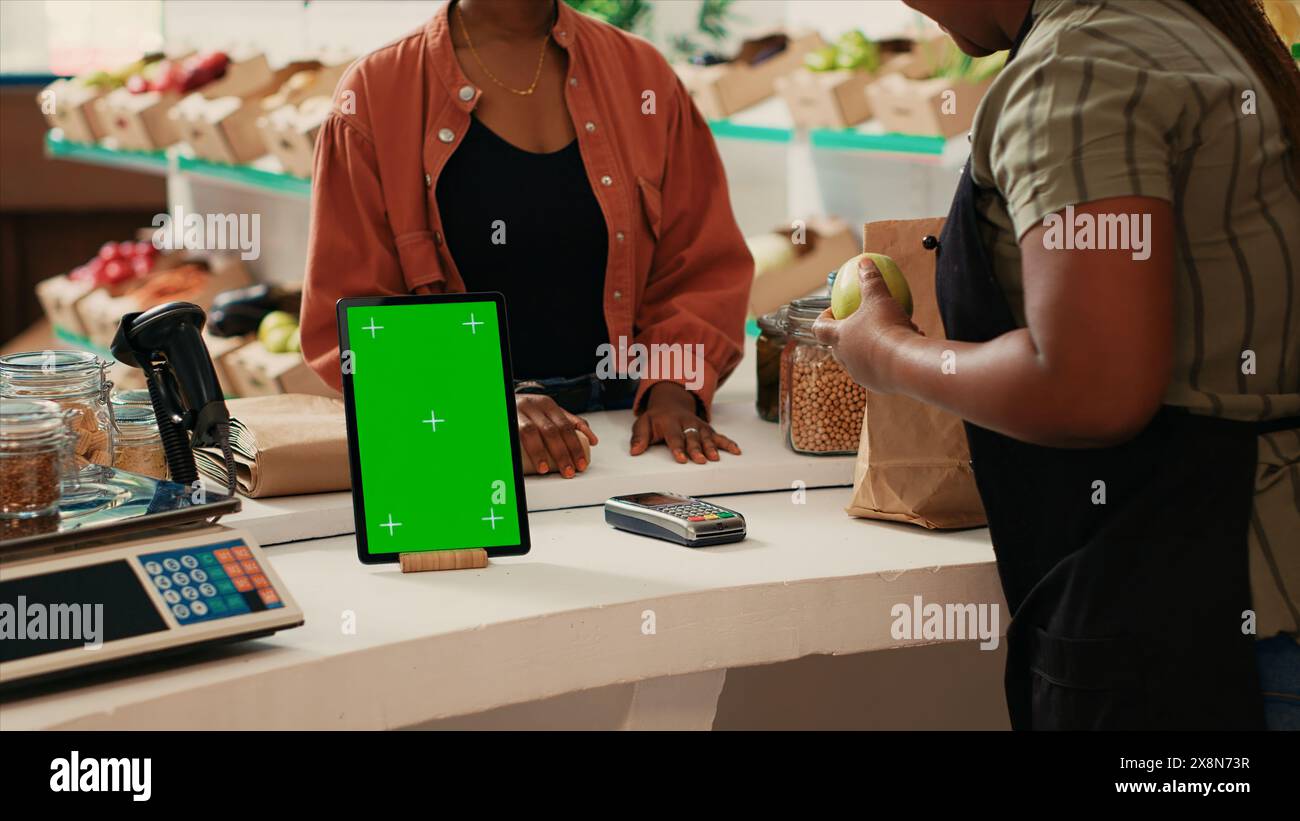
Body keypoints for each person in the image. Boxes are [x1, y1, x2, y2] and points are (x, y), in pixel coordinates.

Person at [815, 0, 1300, 729]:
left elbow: (1088, 386)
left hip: (1202, 623)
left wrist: (886, 351)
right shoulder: (1162, 24)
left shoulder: (1076, 68)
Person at [300, 0, 752, 478]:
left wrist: (673, 388)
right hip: (462, 440)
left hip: (629, 433)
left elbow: (701, 261)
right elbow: (355, 320)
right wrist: (484, 401)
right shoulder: (375, 92)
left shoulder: (641, 73)